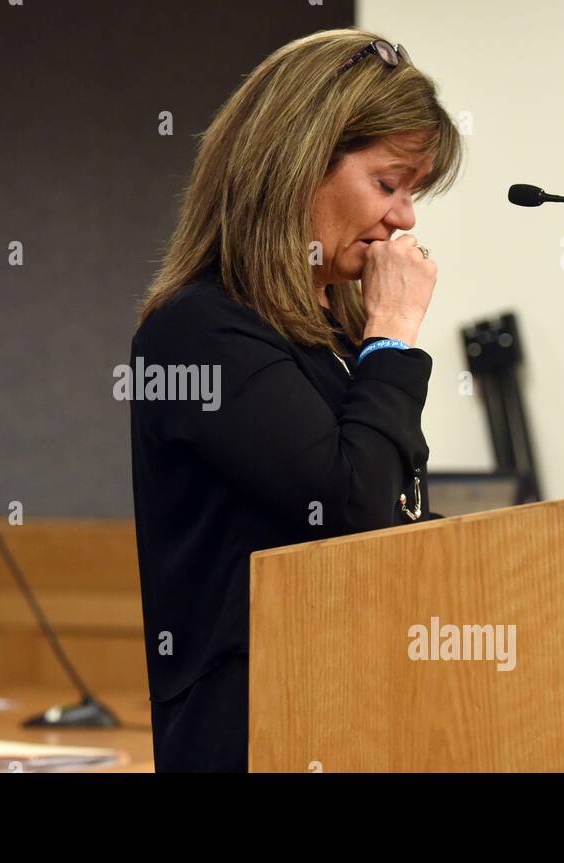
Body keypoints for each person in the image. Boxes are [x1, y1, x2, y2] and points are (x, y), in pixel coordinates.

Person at [130, 29, 463, 771]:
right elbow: (349, 514)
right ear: (300, 164)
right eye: (388, 183)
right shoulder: (201, 328)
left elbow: (391, 521)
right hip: (252, 732)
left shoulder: (335, 340)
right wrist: (395, 337)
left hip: (356, 715)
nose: (405, 218)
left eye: (414, 192)